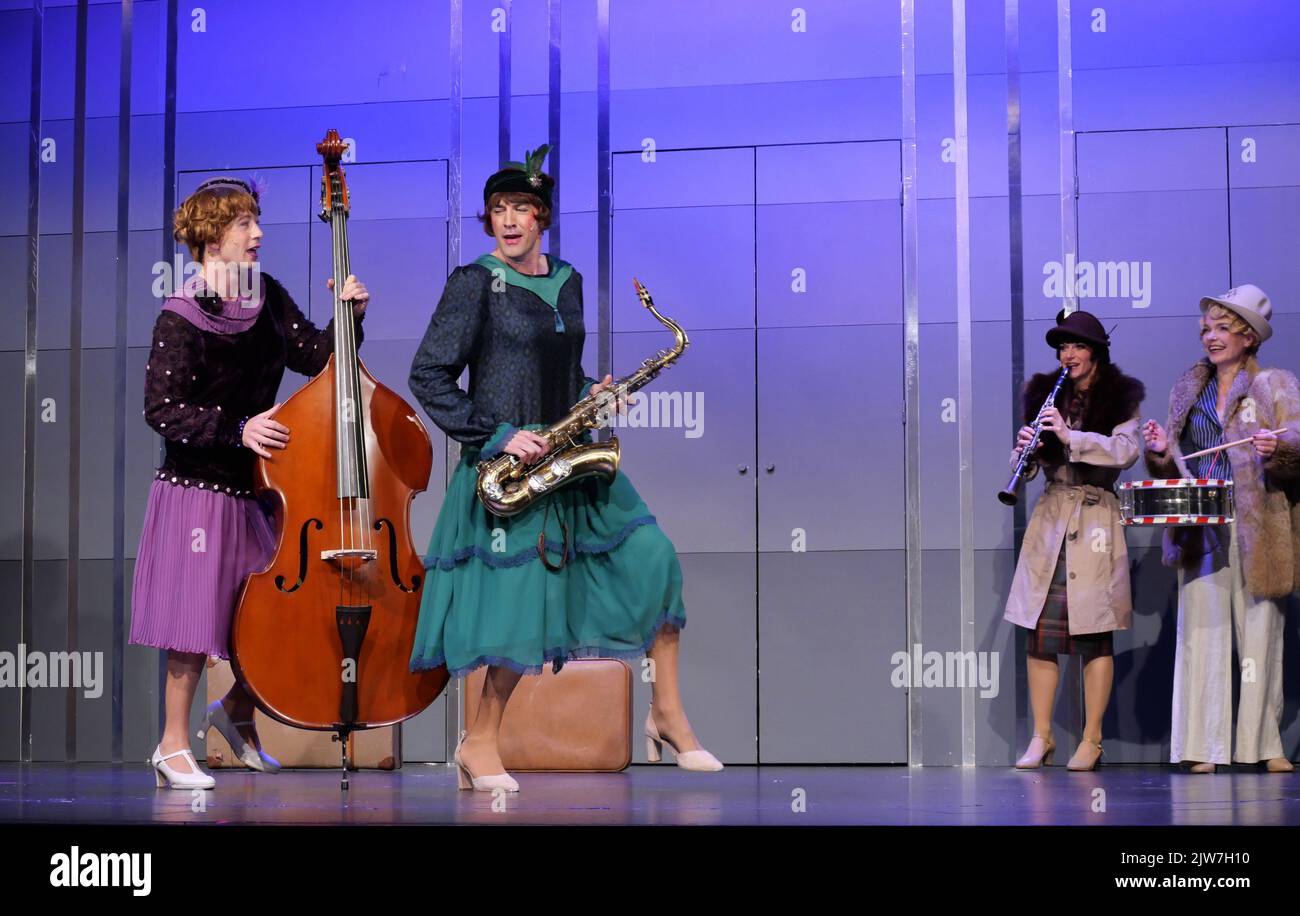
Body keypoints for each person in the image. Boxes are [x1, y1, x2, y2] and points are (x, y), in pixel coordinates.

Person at [408, 146, 721, 792]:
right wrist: (497, 434)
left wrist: (593, 396)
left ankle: (666, 712)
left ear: (542, 215)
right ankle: (480, 743)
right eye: (498, 210)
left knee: (656, 559)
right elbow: (428, 375)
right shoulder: (475, 283)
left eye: (521, 208)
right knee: (520, 613)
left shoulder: (569, 280)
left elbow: (558, 374)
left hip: (569, 457)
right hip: (509, 472)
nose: (509, 220)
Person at [131, 176, 369, 788]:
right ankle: (171, 745)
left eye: (255, 221)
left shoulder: (266, 297)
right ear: (213, 239)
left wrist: (348, 321)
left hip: (257, 493)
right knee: (191, 628)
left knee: (272, 619)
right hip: (196, 493)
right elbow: (161, 409)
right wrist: (237, 429)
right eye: (244, 224)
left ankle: (236, 711)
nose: (258, 233)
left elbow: (319, 359)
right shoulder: (181, 317)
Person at [1141, 284, 1299, 774]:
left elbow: (1295, 438)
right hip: (1202, 523)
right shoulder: (1190, 388)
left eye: (1223, 328)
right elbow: (1176, 468)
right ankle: (1202, 746)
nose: (1210, 336)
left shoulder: (1274, 383)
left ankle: (1263, 744)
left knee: (1260, 635)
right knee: (1202, 634)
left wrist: (1281, 450)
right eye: (1207, 328)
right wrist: (1162, 451)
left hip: (1259, 523)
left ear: (1249, 337)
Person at [1004, 309, 1144, 771]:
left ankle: (1092, 739)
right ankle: (1042, 737)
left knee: (1093, 631)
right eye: (1063, 348)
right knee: (1041, 633)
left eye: (1077, 347)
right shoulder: (1046, 394)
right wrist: (1024, 454)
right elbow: (1030, 463)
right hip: (1052, 518)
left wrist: (1072, 436)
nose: (1068, 356)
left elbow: (1126, 451)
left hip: (1094, 517)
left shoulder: (1120, 397)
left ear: (1096, 352)